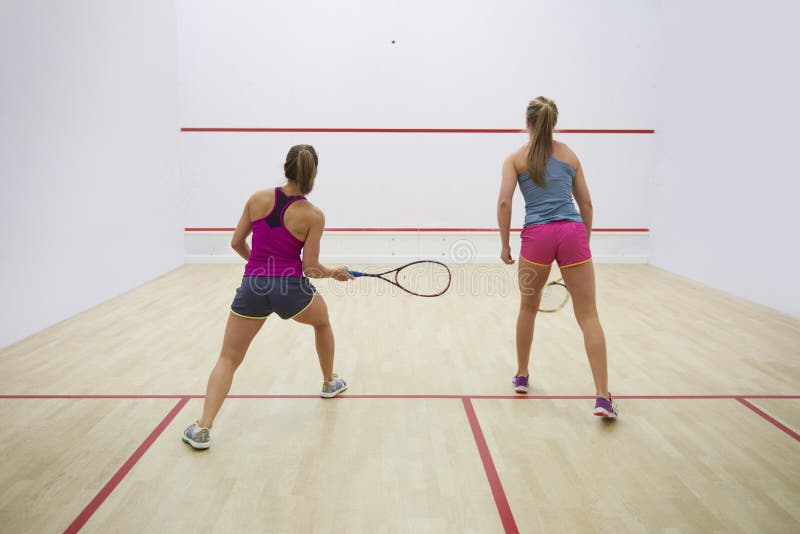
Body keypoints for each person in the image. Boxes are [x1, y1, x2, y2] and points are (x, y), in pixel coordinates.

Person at [183, 144, 354, 449]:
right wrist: (334, 273)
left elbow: (236, 242)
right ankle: (330, 382)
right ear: (313, 174)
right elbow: (311, 268)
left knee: (228, 358)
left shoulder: (257, 199)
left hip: (253, 287)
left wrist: (259, 268)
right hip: (290, 290)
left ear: (286, 168)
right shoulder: (314, 215)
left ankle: (202, 428)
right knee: (322, 323)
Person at [496, 97, 617, 418]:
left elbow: (505, 203)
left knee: (527, 308)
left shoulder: (515, 159)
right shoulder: (570, 155)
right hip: (572, 233)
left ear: (527, 123)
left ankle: (522, 376)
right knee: (588, 315)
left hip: (537, 236)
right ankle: (602, 397)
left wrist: (505, 245)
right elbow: (586, 204)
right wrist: (583, 240)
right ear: (553, 122)